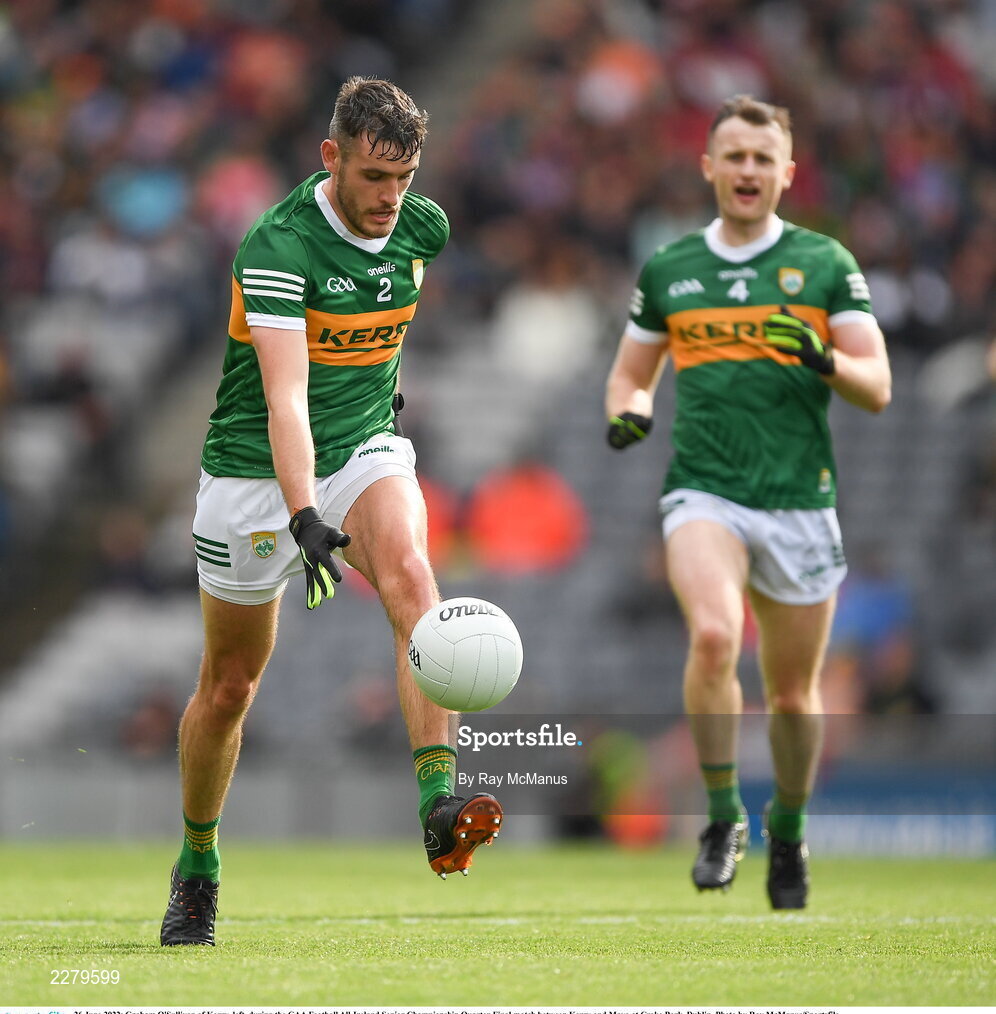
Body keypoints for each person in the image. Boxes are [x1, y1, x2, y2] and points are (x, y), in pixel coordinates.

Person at [160, 77, 502, 947]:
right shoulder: (277, 245)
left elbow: (377, 336)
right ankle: (198, 862)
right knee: (229, 688)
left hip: (360, 449)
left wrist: (380, 410)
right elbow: (285, 398)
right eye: (375, 177)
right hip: (254, 472)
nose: (392, 199)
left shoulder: (423, 229)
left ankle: (438, 802)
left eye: (406, 177)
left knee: (413, 577)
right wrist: (304, 513)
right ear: (331, 158)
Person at [604, 95, 891, 909]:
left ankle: (789, 831)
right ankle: (723, 813)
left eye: (764, 159)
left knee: (796, 695)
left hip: (800, 500)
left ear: (787, 174)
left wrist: (827, 359)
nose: (748, 170)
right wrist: (629, 412)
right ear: (709, 167)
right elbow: (631, 374)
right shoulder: (670, 270)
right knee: (715, 637)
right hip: (705, 490)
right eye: (734, 155)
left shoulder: (826, 265)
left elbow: (879, 385)